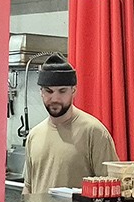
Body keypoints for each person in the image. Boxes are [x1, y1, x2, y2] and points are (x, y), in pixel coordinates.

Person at [23, 53, 119, 194]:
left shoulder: (94, 132)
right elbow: (28, 187)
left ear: (73, 91)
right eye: (48, 91)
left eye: (62, 91)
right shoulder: (34, 135)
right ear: (41, 92)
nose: (55, 98)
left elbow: (111, 189)